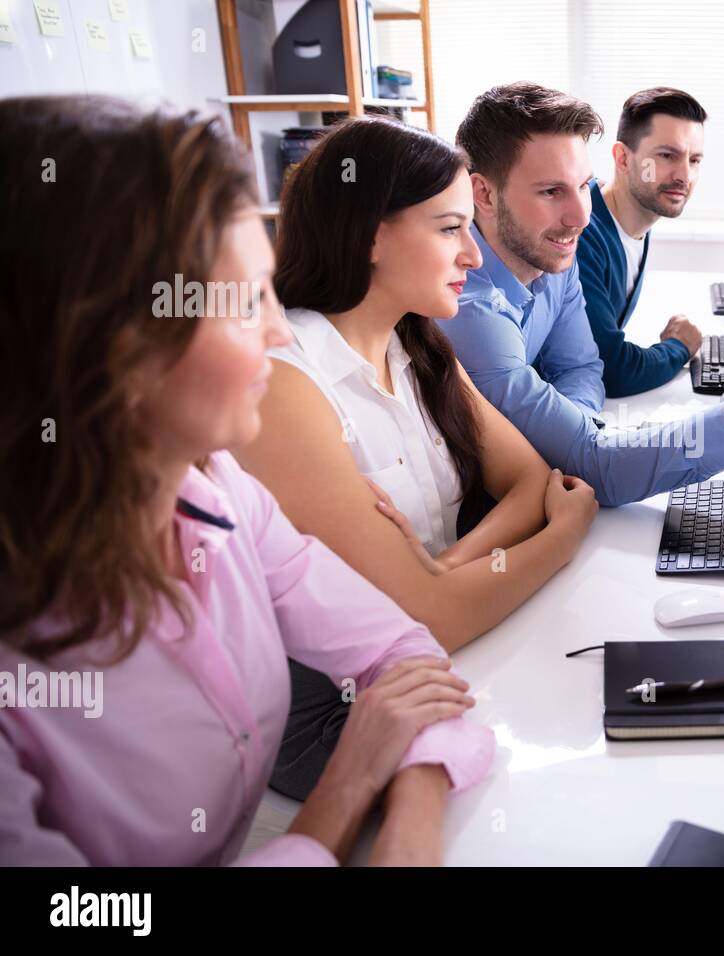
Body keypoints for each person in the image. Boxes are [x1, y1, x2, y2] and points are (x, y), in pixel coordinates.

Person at [0, 96, 492, 866]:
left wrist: (407, 831)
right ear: (108, 347)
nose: (274, 329)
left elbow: (406, 657)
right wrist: (346, 789)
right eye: (243, 303)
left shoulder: (217, 490)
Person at [233, 116, 597, 800]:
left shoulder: (415, 344)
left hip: (428, 653)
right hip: (330, 714)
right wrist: (566, 533)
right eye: (449, 228)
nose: (475, 255)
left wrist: (448, 569)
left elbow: (527, 480)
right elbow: (432, 615)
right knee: (544, 785)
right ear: (372, 235)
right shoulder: (287, 384)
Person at [441, 82, 724, 507]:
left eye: (582, 186)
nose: (580, 216)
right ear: (483, 193)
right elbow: (601, 467)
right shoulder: (468, 309)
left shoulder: (551, 255)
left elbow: (581, 366)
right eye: (551, 191)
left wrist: (574, 431)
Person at [574, 87, 706, 396]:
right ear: (622, 158)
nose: (684, 175)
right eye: (666, 155)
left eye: (695, 160)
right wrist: (678, 347)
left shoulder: (640, 216)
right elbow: (611, 368)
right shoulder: (581, 235)